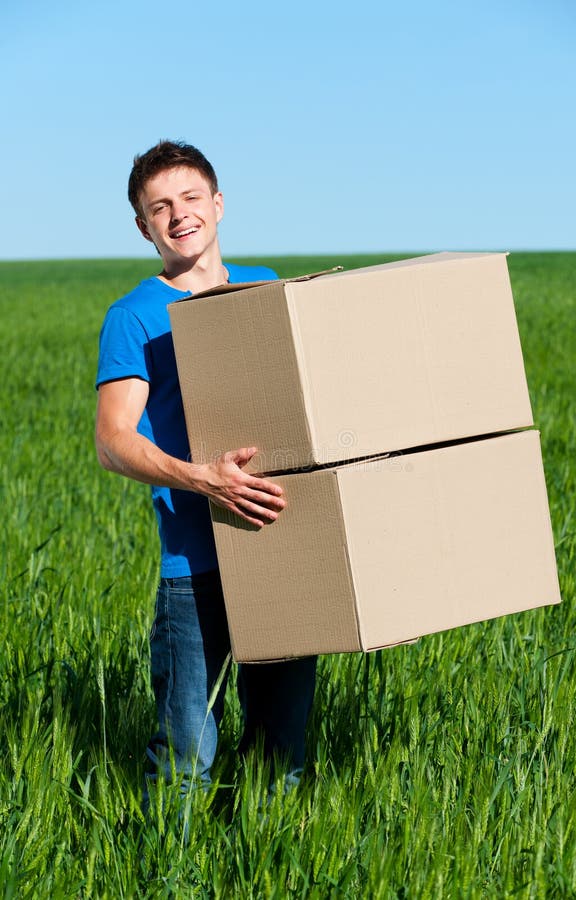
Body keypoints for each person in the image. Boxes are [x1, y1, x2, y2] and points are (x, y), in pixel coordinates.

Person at [95, 140, 317, 805]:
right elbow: (112, 440)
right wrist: (205, 478)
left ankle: (270, 868)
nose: (178, 214)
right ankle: (172, 875)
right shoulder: (133, 316)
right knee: (186, 754)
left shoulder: (262, 283)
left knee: (283, 748)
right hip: (195, 568)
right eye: (158, 207)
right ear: (143, 226)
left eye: (190, 198)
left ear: (217, 204)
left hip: (279, 544)